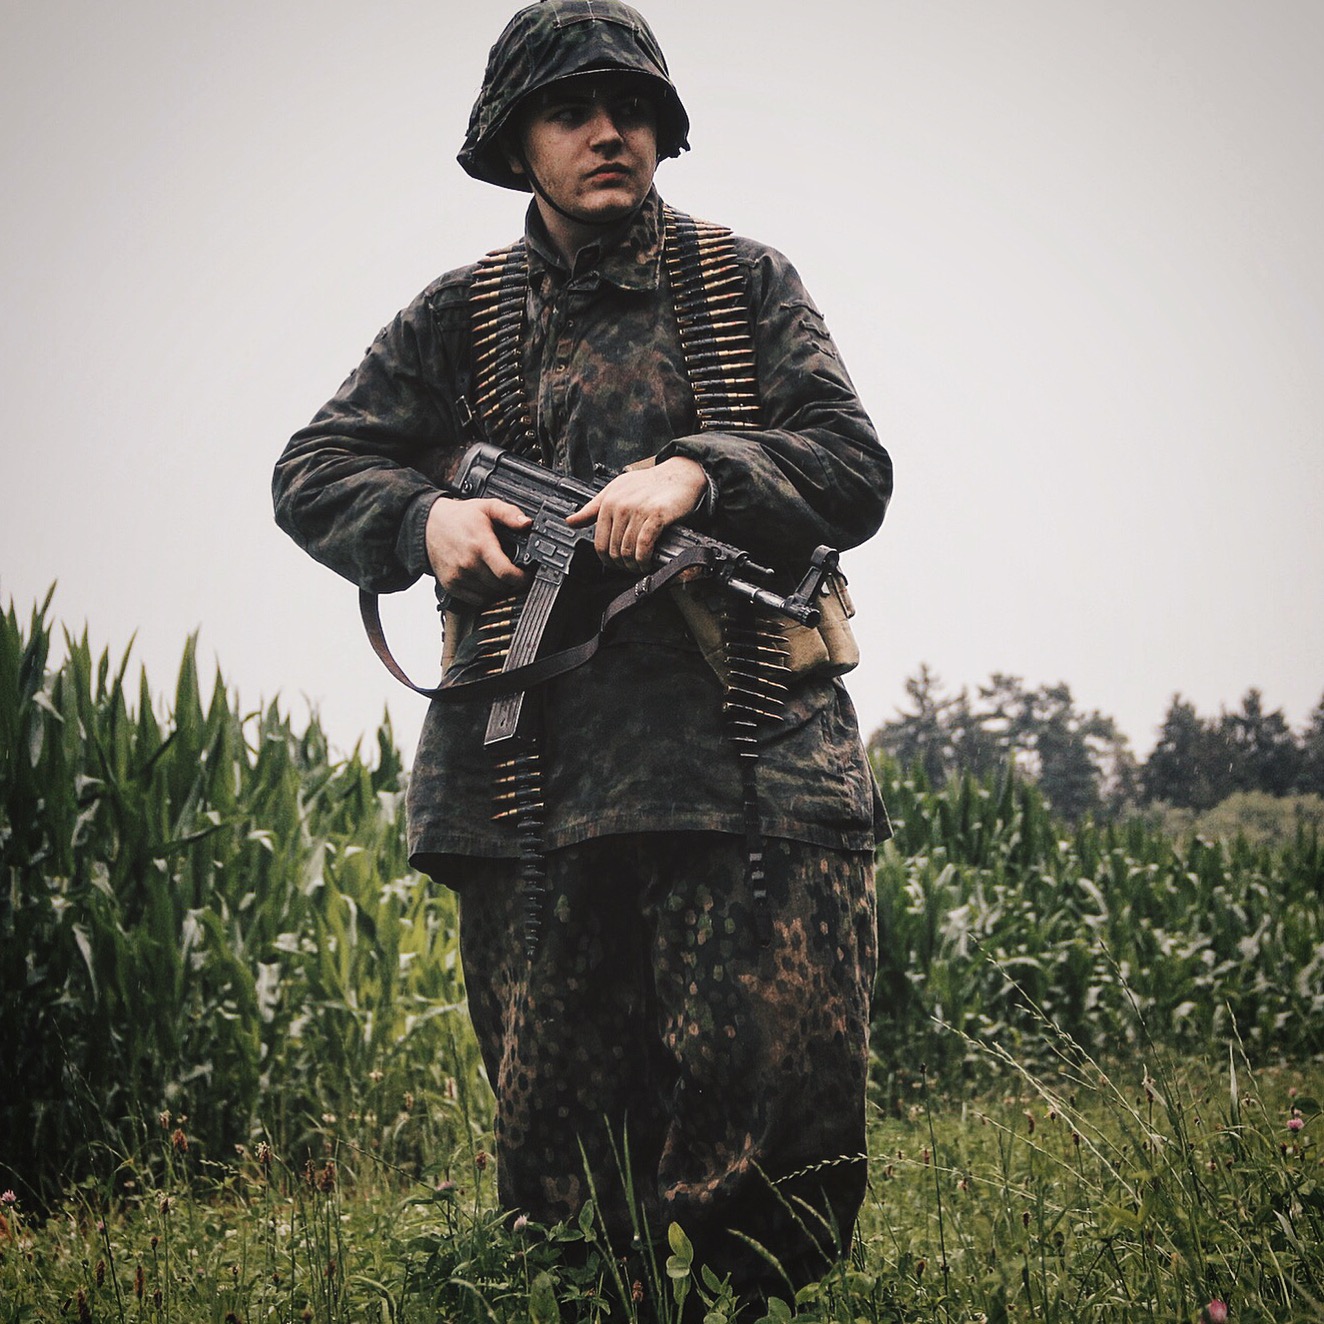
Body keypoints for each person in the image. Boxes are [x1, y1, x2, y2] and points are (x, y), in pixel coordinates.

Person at [273, 0, 892, 1307]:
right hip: (532, 786)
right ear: (516, 142)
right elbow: (312, 469)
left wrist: (695, 473)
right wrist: (423, 516)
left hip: (754, 773)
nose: (611, 132)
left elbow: (851, 470)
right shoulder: (456, 317)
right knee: (562, 1172)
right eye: (572, 110)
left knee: (786, 1134)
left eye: (635, 110)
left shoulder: (744, 285)